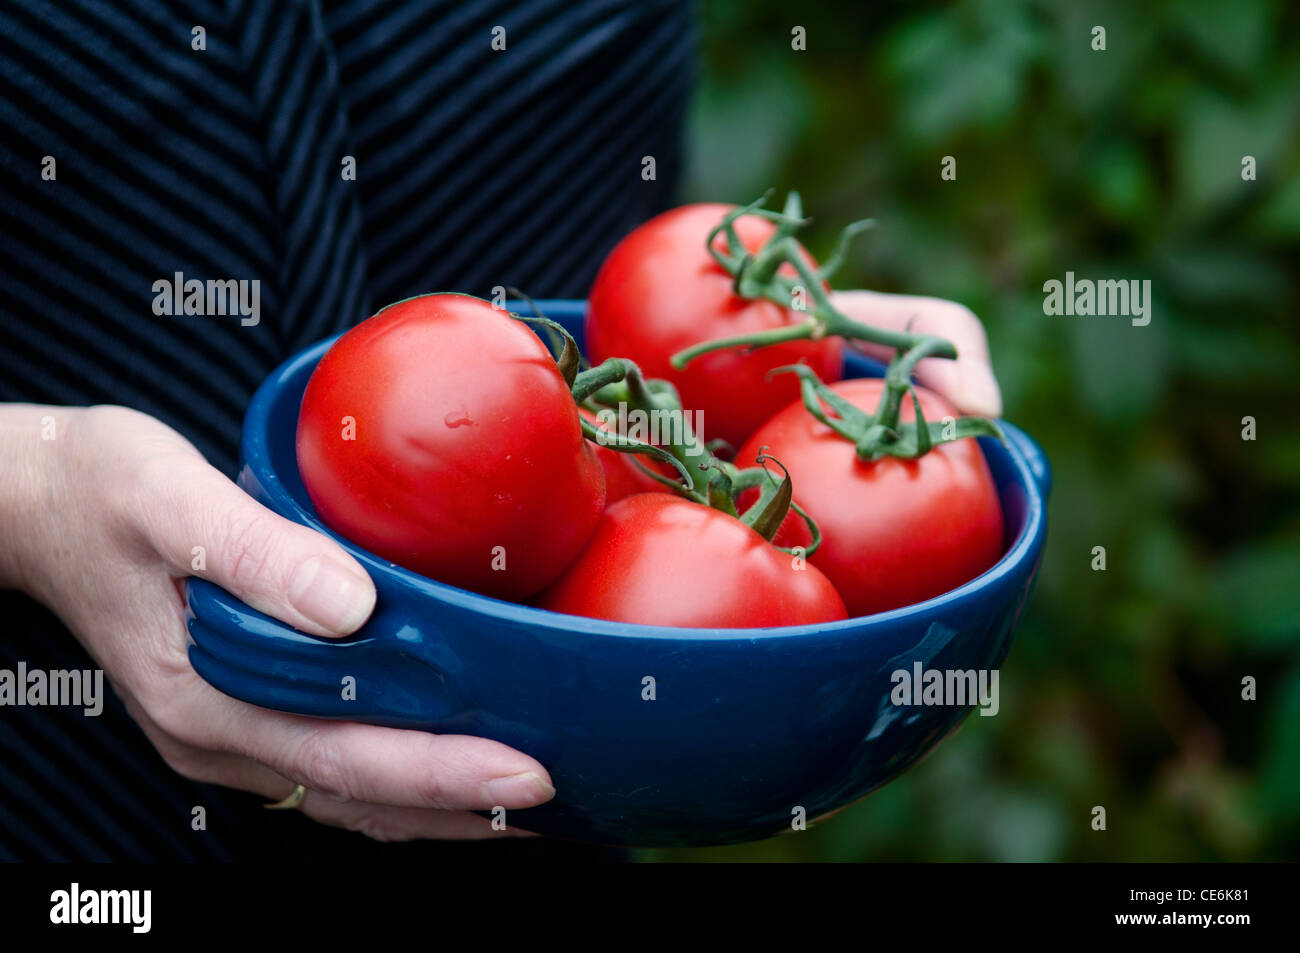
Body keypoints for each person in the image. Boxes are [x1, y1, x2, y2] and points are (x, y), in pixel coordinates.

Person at [0, 0, 1001, 861]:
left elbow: (653, 349)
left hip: (559, 766)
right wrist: (33, 496)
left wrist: (803, 345)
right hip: (75, 781)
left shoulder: (615, 440)